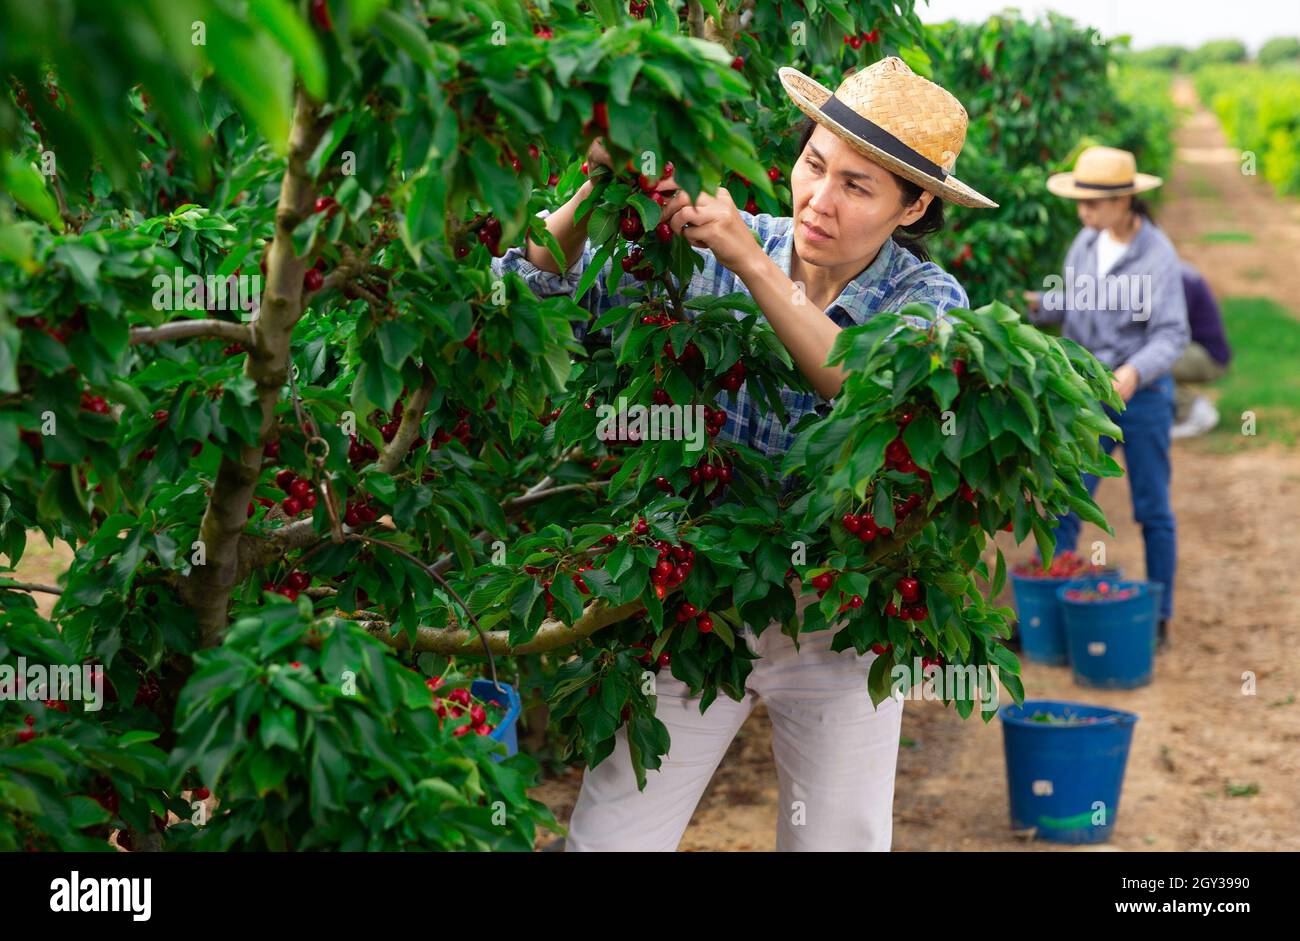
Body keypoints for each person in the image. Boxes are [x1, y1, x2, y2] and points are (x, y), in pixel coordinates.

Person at [493, 57, 996, 851]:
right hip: (697, 601)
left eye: (857, 187)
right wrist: (600, 192)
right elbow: (527, 288)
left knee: (839, 839)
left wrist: (752, 267)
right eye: (814, 165)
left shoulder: (928, 303)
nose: (819, 201)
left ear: (916, 204)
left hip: (839, 623)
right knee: (612, 835)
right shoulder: (717, 247)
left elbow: (865, 386)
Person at [1025, 145, 1189, 651]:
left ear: (1124, 202)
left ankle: (1158, 617)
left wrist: (1133, 372)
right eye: (1081, 203)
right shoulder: (1086, 243)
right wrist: (1035, 308)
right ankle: (1052, 610)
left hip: (1142, 400)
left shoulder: (1157, 256)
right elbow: (1079, 300)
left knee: (1152, 508)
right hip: (1090, 398)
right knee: (1066, 502)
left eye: (1092, 204)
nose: (1083, 213)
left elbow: (1171, 332)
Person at [1170, 261, 1231, 439]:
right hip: (1195, 349)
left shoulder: (1177, 278)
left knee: (1151, 363)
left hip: (1207, 355)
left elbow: (1172, 327)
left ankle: (1193, 411)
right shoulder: (1178, 271)